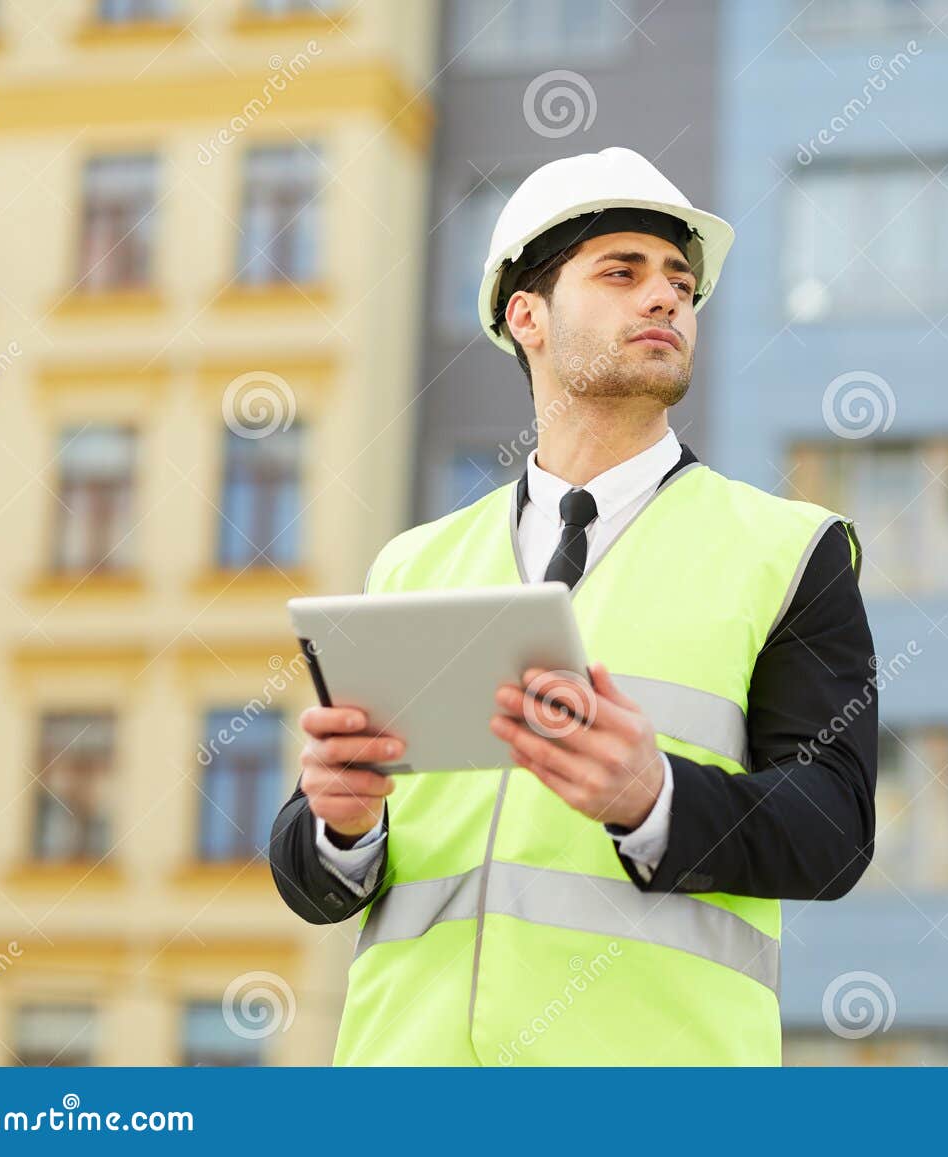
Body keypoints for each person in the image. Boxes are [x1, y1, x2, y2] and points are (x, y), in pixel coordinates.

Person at [269, 146, 877, 1066]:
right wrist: (341, 825)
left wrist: (655, 797)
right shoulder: (412, 565)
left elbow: (835, 830)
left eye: (679, 282)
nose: (665, 297)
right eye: (622, 273)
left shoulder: (789, 551)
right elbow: (316, 881)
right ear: (528, 317)